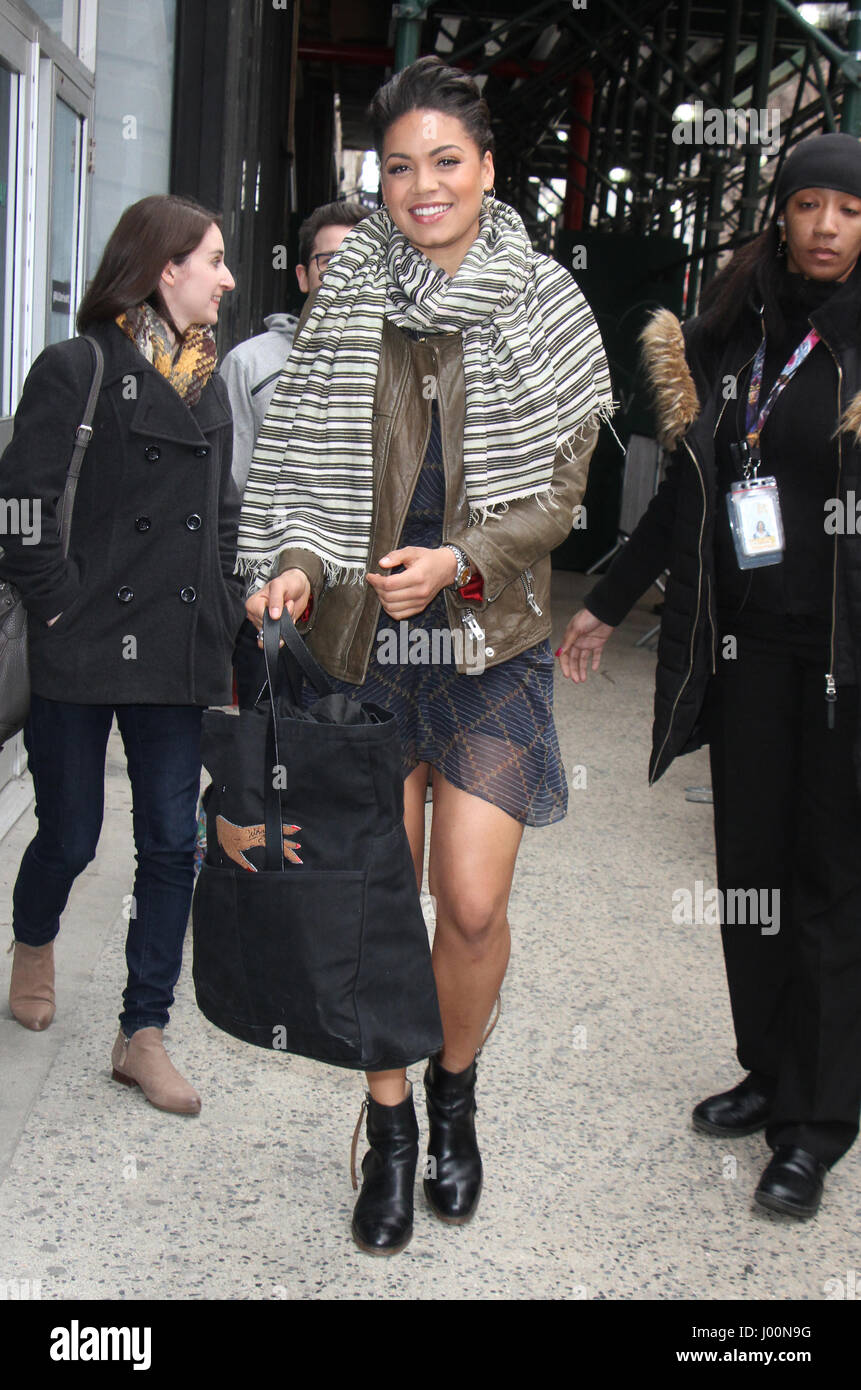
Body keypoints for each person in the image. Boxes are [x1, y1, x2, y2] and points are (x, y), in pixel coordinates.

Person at [237, 55, 612, 1254]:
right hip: (356, 642)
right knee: (373, 900)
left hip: (483, 635)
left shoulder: (544, 297)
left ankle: (457, 1091)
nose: (422, 185)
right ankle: (392, 1125)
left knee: (470, 898)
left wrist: (459, 561)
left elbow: (564, 491)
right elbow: (296, 476)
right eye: (400, 167)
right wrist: (295, 560)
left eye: (446, 160)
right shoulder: (349, 302)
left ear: (489, 168)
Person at [558, 132, 861, 1220]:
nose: (827, 226)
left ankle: (817, 1125)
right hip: (746, 655)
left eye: (850, 210)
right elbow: (685, 498)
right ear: (779, 214)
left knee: (830, 886)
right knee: (752, 873)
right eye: (810, 204)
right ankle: (770, 1067)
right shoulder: (730, 341)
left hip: (843, 665)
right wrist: (599, 599)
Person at [0, 194, 245, 1114]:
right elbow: (18, 505)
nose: (226, 278)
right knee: (69, 831)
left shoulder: (208, 381)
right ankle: (33, 936)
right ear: (164, 267)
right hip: (82, 641)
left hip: (177, 648)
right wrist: (59, 607)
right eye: (213, 260)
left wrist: (220, 604)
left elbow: (218, 516)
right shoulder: (78, 366)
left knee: (171, 845)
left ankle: (143, 1031)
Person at [220, 200, 369, 495]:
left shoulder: (404, 367)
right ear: (302, 276)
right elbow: (230, 493)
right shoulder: (248, 365)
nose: (345, 273)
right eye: (330, 261)